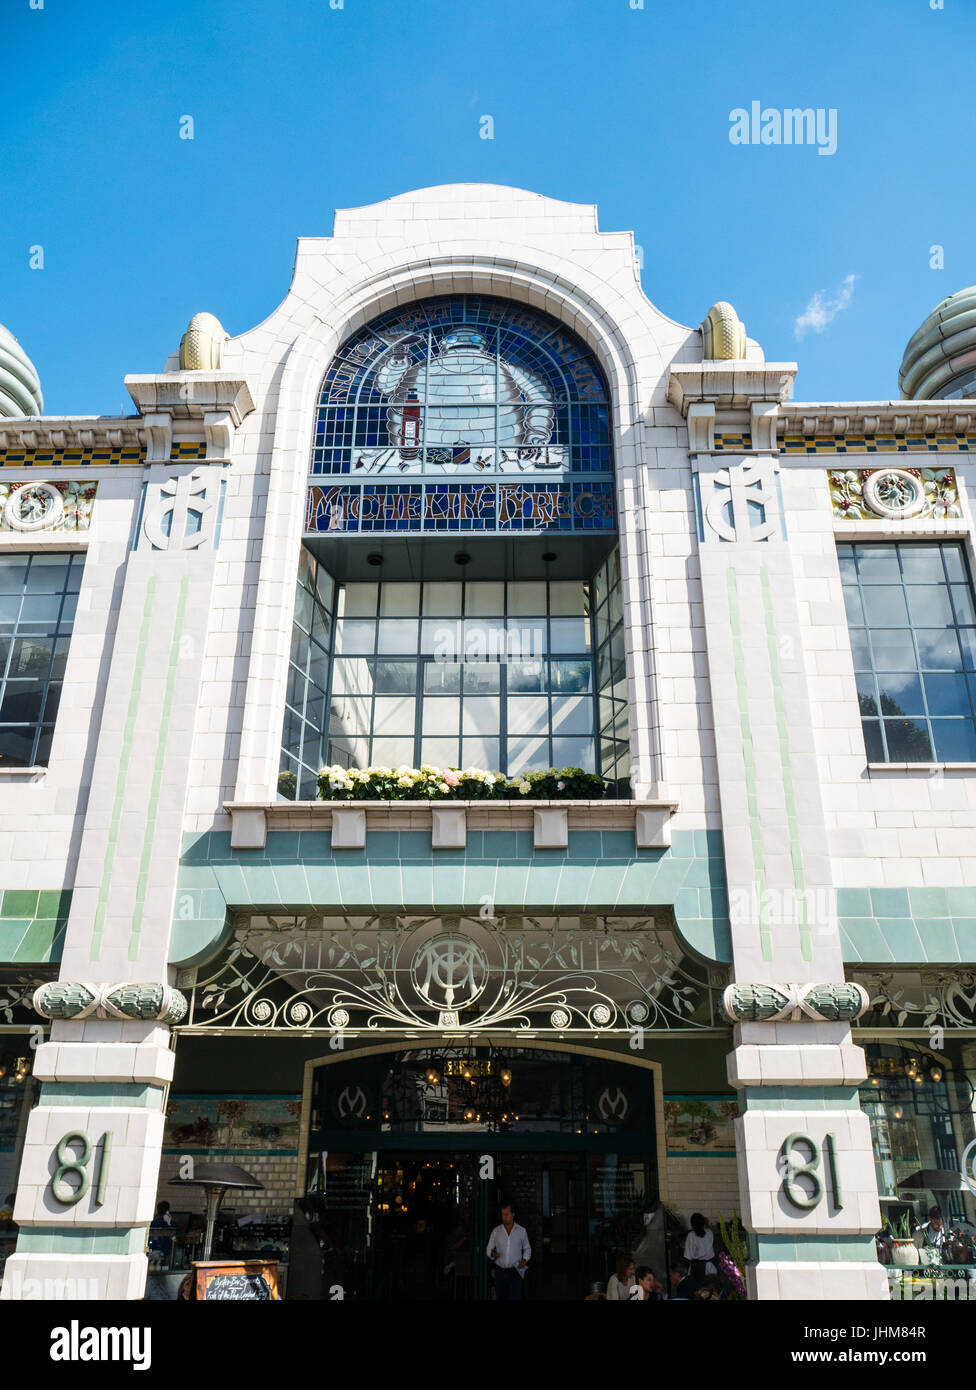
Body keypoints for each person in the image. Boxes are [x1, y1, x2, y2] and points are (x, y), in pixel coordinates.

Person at [487, 1203, 531, 1300]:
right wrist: (492, 1254)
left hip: (515, 1271)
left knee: (515, 1297)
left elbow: (527, 1248)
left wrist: (525, 1260)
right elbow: (488, 1249)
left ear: (512, 1215)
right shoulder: (496, 1231)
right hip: (500, 1271)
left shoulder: (521, 1231)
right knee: (500, 1297)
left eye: (506, 1214)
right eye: (502, 1214)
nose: (504, 1217)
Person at [683, 1212, 718, 1280]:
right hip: (711, 1268)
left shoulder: (691, 1235)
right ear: (703, 1223)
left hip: (697, 1269)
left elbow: (687, 1257)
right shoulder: (709, 1233)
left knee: (699, 1289)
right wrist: (706, 1223)